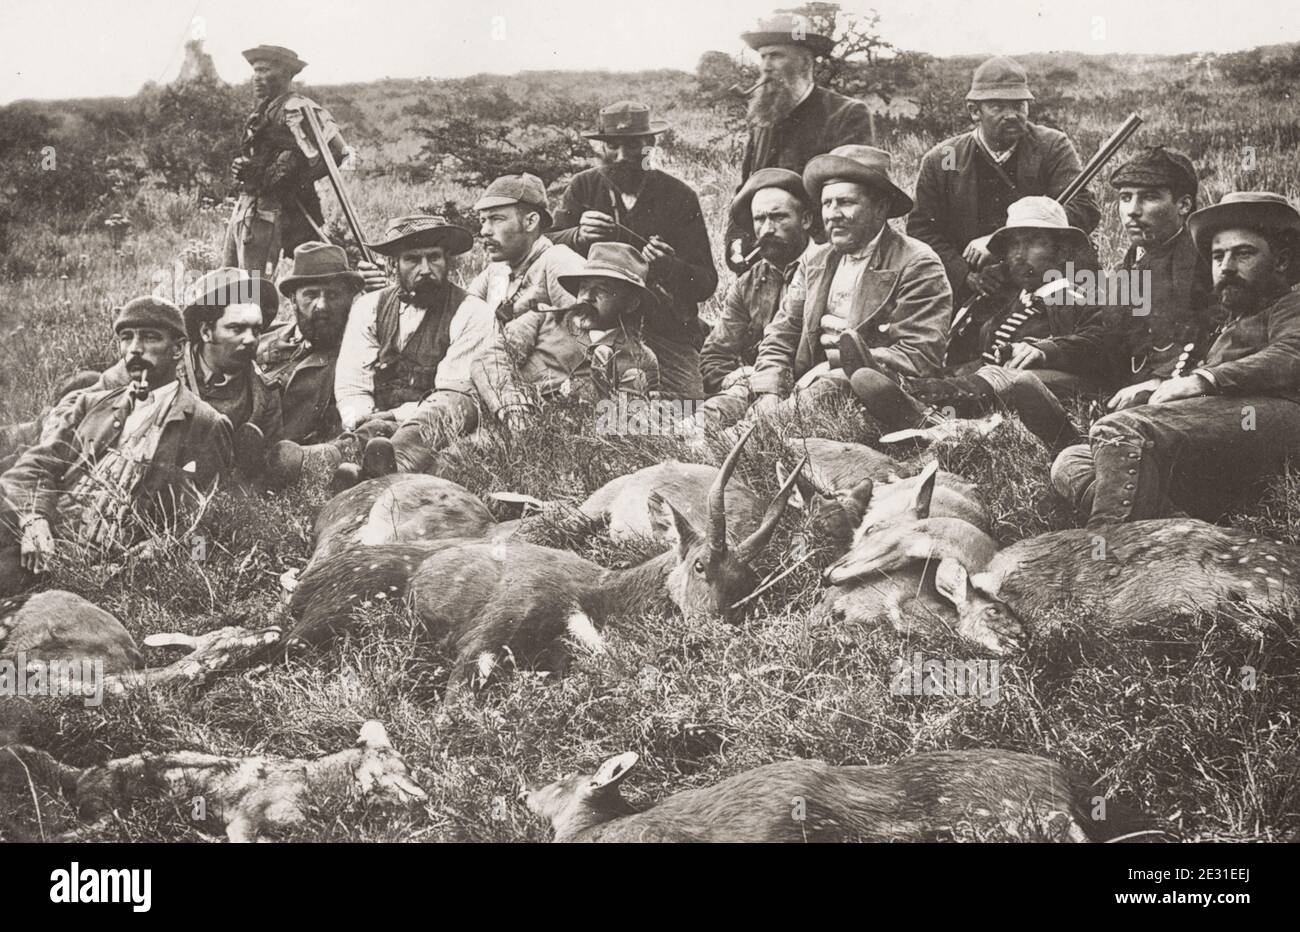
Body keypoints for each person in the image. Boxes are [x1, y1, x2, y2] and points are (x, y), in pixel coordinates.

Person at [1051, 192, 1300, 527]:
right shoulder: (1224, 323)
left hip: (1275, 419)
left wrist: (1201, 380)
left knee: (1122, 430)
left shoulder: (1289, 305)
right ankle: (1175, 528)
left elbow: (1290, 356)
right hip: (1221, 442)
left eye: (1243, 254)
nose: (1226, 267)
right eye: (1217, 256)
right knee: (1073, 459)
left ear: (1281, 261)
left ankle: (1106, 551)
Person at [0, 298, 231, 594]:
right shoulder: (91, 403)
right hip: (39, 539)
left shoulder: (205, 423)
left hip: (109, 568)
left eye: (150, 337)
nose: (135, 349)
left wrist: (173, 562)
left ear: (178, 349)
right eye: (126, 338)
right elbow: (35, 465)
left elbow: (208, 521)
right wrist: (33, 520)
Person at [848, 196, 1101, 452]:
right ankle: (916, 404)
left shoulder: (1078, 295)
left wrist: (1044, 350)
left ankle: (910, 396)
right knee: (971, 373)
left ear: (1061, 251)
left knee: (1007, 377)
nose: (1019, 255)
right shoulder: (1012, 301)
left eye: (1034, 242)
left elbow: (1098, 344)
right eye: (1013, 245)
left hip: (1054, 389)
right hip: (996, 390)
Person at [727, 145, 949, 429]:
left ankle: (745, 441)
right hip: (805, 381)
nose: (832, 214)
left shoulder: (917, 263)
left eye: (845, 202)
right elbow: (782, 335)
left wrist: (833, 366)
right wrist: (769, 389)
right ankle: (699, 441)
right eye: (826, 203)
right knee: (732, 399)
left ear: (880, 207)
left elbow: (918, 357)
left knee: (814, 398)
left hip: (873, 392)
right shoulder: (817, 261)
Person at [551, 101, 717, 399]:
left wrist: (668, 266)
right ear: (600, 147)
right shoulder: (583, 187)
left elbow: (705, 282)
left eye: (633, 146)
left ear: (650, 145)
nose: (622, 156)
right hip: (590, 322)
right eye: (612, 146)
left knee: (686, 405)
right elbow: (547, 246)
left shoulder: (679, 196)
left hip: (661, 327)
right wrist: (577, 235)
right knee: (561, 396)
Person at [908, 56, 1100, 306]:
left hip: (1048, 280)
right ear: (974, 111)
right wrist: (965, 276)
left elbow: (1083, 208)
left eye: (1019, 105)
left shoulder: (1052, 146)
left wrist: (999, 241)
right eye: (998, 106)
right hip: (973, 287)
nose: (1012, 115)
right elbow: (922, 230)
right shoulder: (944, 158)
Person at [326, 214, 493, 485]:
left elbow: (452, 394)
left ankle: (386, 467)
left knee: (451, 422)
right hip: (374, 425)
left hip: (434, 427)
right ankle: (307, 460)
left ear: (447, 260)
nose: (425, 269)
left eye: (434, 258)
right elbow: (353, 383)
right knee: (356, 439)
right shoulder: (368, 307)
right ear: (395, 264)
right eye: (413, 259)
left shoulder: (472, 312)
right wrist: (360, 418)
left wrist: (393, 418)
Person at [724, 12, 872, 272]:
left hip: (824, 261)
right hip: (765, 258)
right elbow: (745, 188)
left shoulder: (846, 114)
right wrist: (736, 241)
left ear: (805, 63)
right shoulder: (763, 119)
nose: (766, 65)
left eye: (777, 56)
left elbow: (853, 198)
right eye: (763, 56)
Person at [473, 243, 660, 431]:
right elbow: (490, 358)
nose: (587, 296)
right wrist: (512, 407)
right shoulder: (544, 318)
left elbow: (634, 423)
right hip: (506, 425)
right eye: (584, 286)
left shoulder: (642, 359)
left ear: (630, 303)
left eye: (602, 289)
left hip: (575, 444)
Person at [696, 169, 812, 426]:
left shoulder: (829, 268)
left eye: (778, 217)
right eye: (759, 219)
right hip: (752, 390)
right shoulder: (747, 284)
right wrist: (735, 377)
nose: (767, 229)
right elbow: (715, 354)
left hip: (811, 390)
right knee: (700, 423)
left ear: (806, 219)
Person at [222, 45, 351, 274]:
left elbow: (338, 151)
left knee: (253, 286)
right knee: (230, 278)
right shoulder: (263, 111)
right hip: (249, 205)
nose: (257, 78)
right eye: (255, 71)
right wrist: (244, 167)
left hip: (271, 210)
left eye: (265, 70)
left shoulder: (297, 107)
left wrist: (294, 179)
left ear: (286, 73)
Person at [258, 241, 366, 449]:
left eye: (333, 295)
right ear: (292, 299)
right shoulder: (263, 337)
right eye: (311, 295)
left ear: (349, 300)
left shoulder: (356, 356)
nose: (322, 305)